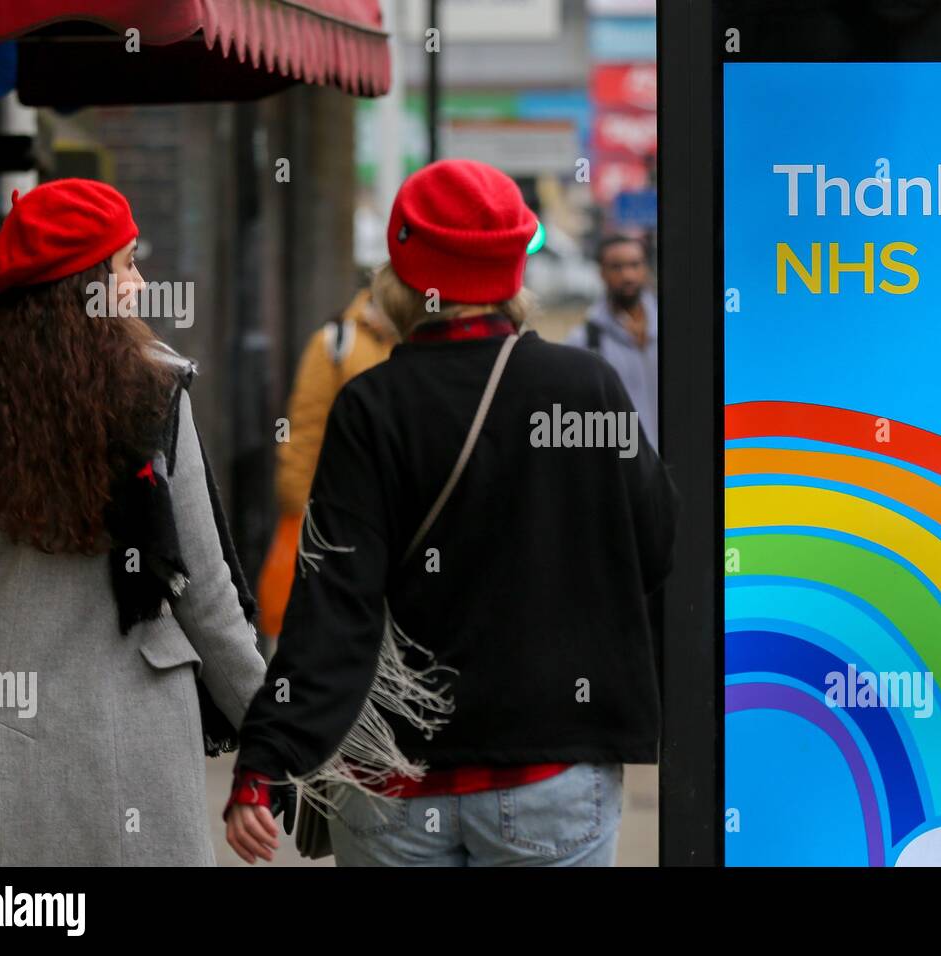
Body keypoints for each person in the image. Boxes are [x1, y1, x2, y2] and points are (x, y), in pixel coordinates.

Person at [224, 158, 679, 867]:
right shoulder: (586, 387)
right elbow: (657, 544)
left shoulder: (370, 407)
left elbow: (336, 602)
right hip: (551, 775)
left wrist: (266, 756)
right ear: (513, 271)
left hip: (393, 787)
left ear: (402, 274)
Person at [0, 178, 267, 865]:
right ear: (86, 282)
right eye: (125, 264)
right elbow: (204, 594)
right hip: (130, 741)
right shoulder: (153, 396)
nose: (140, 285)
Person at [255, 271, 398, 643]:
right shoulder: (337, 343)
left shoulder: (413, 345)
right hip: (332, 511)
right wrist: (296, 505)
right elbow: (304, 427)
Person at [566, 234, 659, 442]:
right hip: (626, 466)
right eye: (617, 267)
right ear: (601, 272)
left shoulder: (674, 330)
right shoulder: (584, 342)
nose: (628, 275)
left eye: (635, 265)